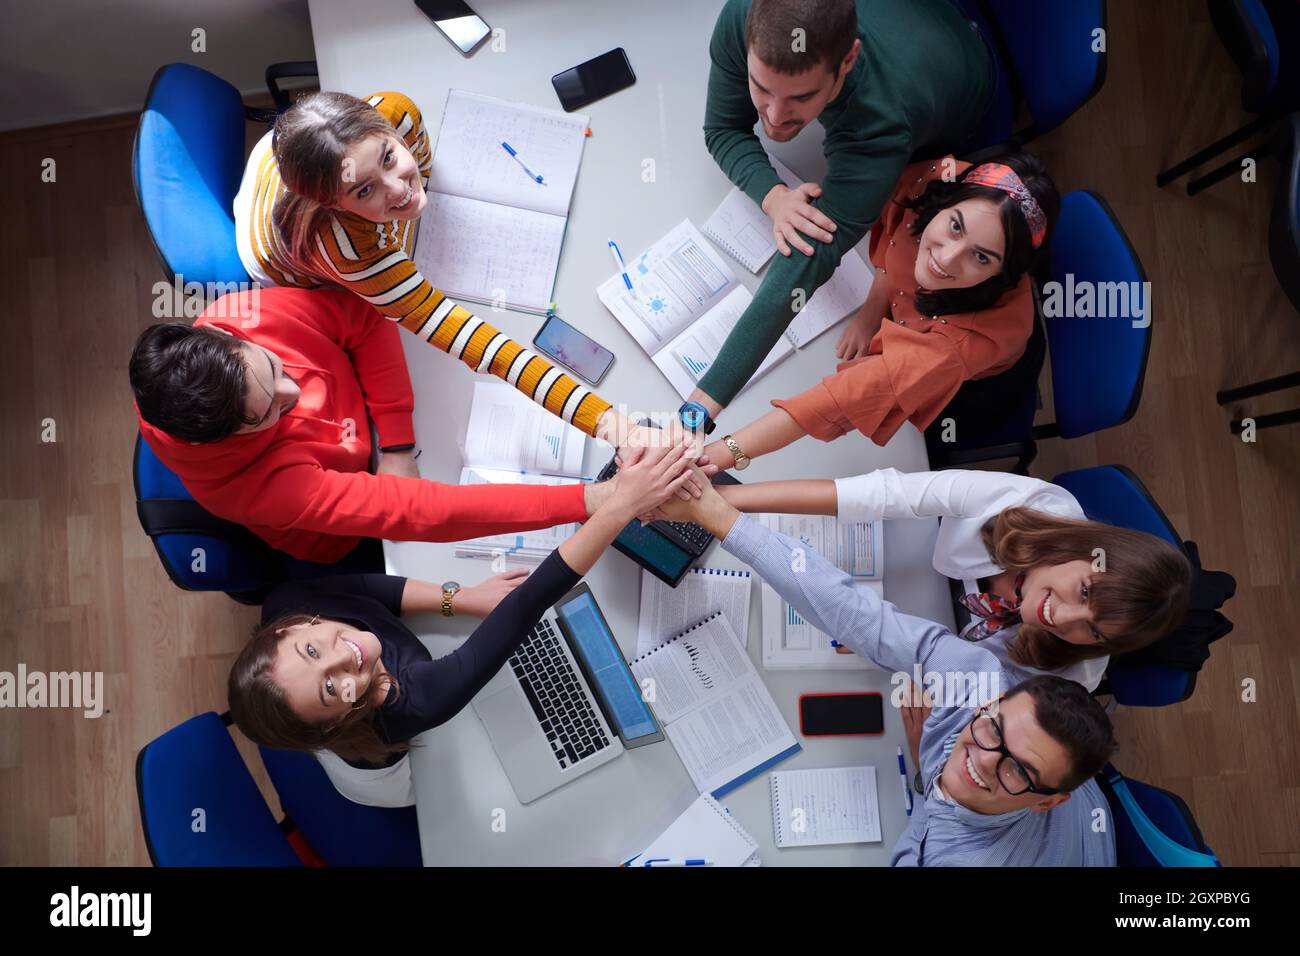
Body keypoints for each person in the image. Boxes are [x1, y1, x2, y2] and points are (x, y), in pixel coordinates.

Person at [653, 473, 1118, 865]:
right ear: (991, 699)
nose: (983, 758)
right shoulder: (975, 678)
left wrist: (928, 777)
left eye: (1020, 770)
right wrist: (719, 518)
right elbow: (855, 615)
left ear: (1051, 801)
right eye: (994, 730)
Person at [228, 442, 695, 807]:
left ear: (287, 630)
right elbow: (526, 606)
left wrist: (461, 599)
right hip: (391, 781)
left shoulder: (287, 601)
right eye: (331, 689)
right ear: (334, 723)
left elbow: (370, 593)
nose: (340, 657)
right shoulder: (413, 707)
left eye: (312, 651)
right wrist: (618, 507)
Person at [233, 88, 666, 451]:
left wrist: (397, 190)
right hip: (276, 257)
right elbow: (491, 352)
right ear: (334, 203)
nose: (399, 188)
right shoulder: (350, 253)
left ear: (384, 130)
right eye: (365, 190)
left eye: (388, 158)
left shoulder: (395, 111)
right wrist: (619, 430)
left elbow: (418, 172)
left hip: (274, 158)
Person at [130, 286, 694, 563]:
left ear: (229, 339)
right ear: (228, 435)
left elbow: (364, 318)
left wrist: (396, 441)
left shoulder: (235, 317)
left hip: (391, 441)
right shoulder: (249, 490)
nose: (294, 393)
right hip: (358, 518)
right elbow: (418, 513)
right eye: (268, 414)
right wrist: (594, 501)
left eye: (274, 370)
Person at [685, 0, 996, 431]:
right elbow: (722, 129)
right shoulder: (746, 15)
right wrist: (774, 196)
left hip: (962, 71)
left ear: (847, 60)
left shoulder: (880, 125)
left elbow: (806, 262)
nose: (773, 120)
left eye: (801, 97)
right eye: (760, 87)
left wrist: (697, 411)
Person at [684, 468, 1192, 691]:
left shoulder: (1072, 675)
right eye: (1085, 593)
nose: (1061, 617)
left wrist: (888, 647)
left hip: (910, 623)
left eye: (1095, 632)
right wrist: (727, 500)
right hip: (907, 567)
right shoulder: (1036, 506)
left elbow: (947, 666)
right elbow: (885, 495)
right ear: (1087, 549)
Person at [702, 153, 1059, 465]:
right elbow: (894, 227)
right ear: (948, 200)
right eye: (954, 227)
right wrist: (875, 307)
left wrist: (723, 453)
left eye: (981, 257)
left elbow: (841, 400)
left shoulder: (960, 345)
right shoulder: (946, 179)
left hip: (973, 384)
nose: (947, 258)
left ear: (1002, 274)